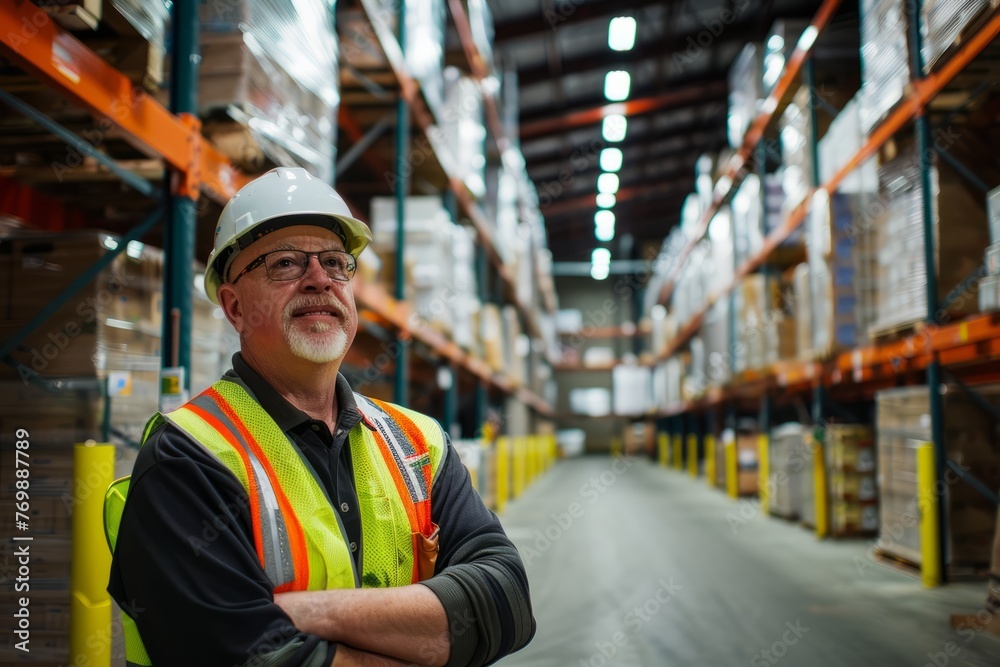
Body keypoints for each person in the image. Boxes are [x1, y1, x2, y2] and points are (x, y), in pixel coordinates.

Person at [105, 167, 535, 667]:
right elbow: (251, 658)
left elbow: (508, 604)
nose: (319, 280)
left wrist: (312, 612)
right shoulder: (187, 456)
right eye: (285, 263)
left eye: (336, 262)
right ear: (234, 307)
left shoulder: (418, 442)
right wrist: (426, 636)